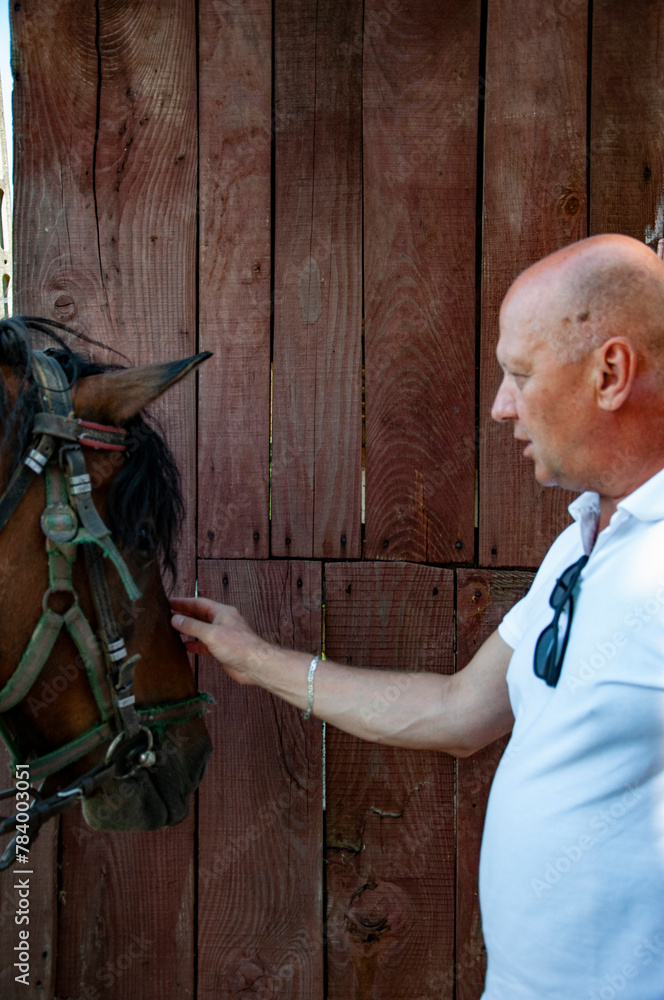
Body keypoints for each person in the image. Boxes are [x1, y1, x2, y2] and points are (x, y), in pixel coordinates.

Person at [171, 233, 664, 999]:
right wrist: (251, 657)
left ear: (610, 373)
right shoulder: (585, 542)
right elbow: (461, 709)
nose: (502, 407)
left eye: (520, 375)